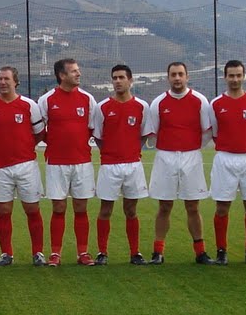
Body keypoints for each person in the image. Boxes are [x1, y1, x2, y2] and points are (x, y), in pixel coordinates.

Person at [146, 60, 215, 264]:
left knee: (193, 206)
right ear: (168, 78)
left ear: (187, 76)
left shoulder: (200, 101)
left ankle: (200, 252)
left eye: (180, 74)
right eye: (173, 75)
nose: (177, 78)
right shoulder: (158, 103)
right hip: (165, 157)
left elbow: (207, 132)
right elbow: (154, 134)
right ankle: (158, 252)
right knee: (164, 206)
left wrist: (191, 147)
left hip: (191, 157)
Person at [0, 65, 47, 266]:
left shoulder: (29, 105)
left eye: (6, 79)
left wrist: (24, 148)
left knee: (32, 209)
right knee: (3, 211)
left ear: (15, 82)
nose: (2, 82)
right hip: (0, 167)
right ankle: (6, 254)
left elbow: (39, 133)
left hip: (27, 166)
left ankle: (38, 252)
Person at [87, 63, 151, 264]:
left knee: (131, 210)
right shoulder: (102, 107)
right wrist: (110, 153)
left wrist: (132, 152)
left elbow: (143, 135)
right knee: (105, 210)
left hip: (133, 165)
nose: (117, 81)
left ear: (130, 81)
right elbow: (98, 136)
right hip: (109, 166)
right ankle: (102, 252)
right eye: (114, 78)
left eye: (121, 77)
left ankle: (135, 252)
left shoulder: (142, 106)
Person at [39, 57, 95, 265]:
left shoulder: (88, 100)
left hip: (82, 162)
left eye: (78, 70)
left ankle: (83, 253)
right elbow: (39, 130)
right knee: (59, 207)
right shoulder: (46, 100)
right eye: (73, 71)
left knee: (81, 207)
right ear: (62, 75)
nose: (78, 74)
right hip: (56, 163)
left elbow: (92, 127)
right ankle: (55, 253)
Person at [209, 60, 246, 264]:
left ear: (244, 76)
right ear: (225, 77)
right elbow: (215, 132)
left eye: (238, 75)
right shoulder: (216, 104)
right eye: (231, 76)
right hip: (225, 159)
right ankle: (221, 251)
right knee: (222, 207)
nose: (235, 79)